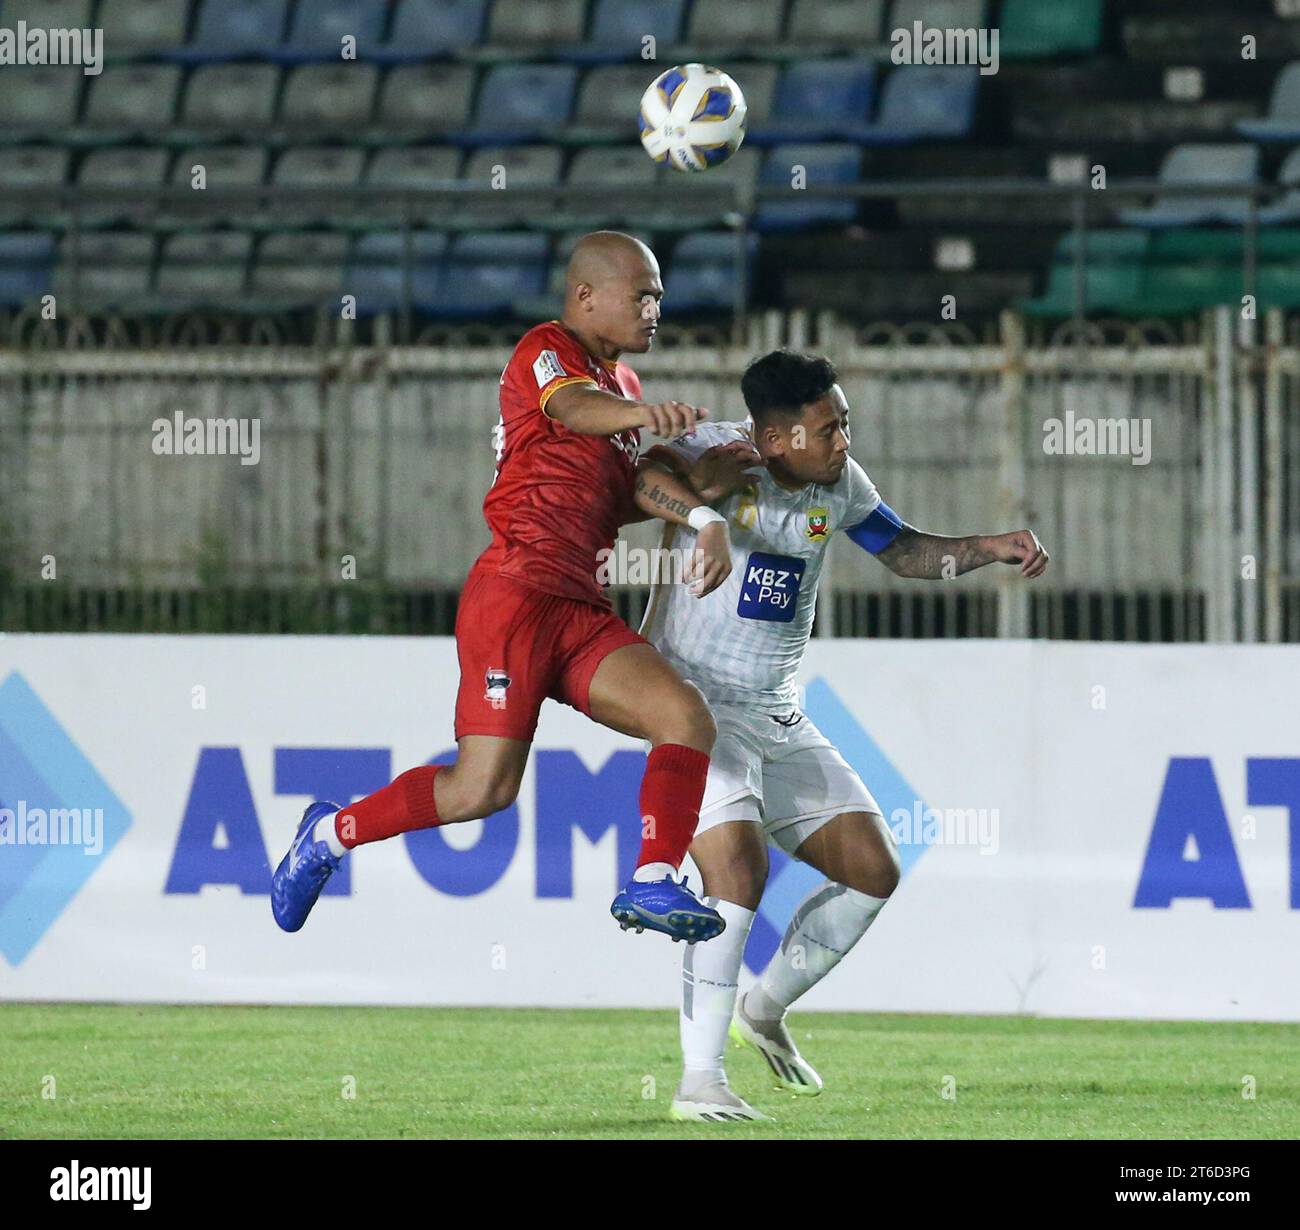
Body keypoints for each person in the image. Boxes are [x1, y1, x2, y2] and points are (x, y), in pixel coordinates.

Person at [272, 232, 742, 945]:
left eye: (658, 297)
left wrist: (704, 512)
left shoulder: (626, 389)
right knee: (482, 791)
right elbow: (573, 409)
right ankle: (329, 835)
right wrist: (640, 419)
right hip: (515, 595)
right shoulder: (545, 351)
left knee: (684, 717)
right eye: (641, 294)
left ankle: (650, 880)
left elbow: (620, 492)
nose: (654, 309)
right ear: (587, 296)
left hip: (580, 607)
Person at [636, 349, 1049, 1121]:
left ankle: (766, 1009)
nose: (843, 440)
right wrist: (698, 511)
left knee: (872, 869)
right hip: (691, 708)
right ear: (776, 437)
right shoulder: (719, 458)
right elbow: (638, 477)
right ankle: (699, 1079)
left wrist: (988, 549)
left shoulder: (839, 483)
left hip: (776, 713)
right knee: (737, 869)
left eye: (844, 423)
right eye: (829, 428)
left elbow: (901, 549)